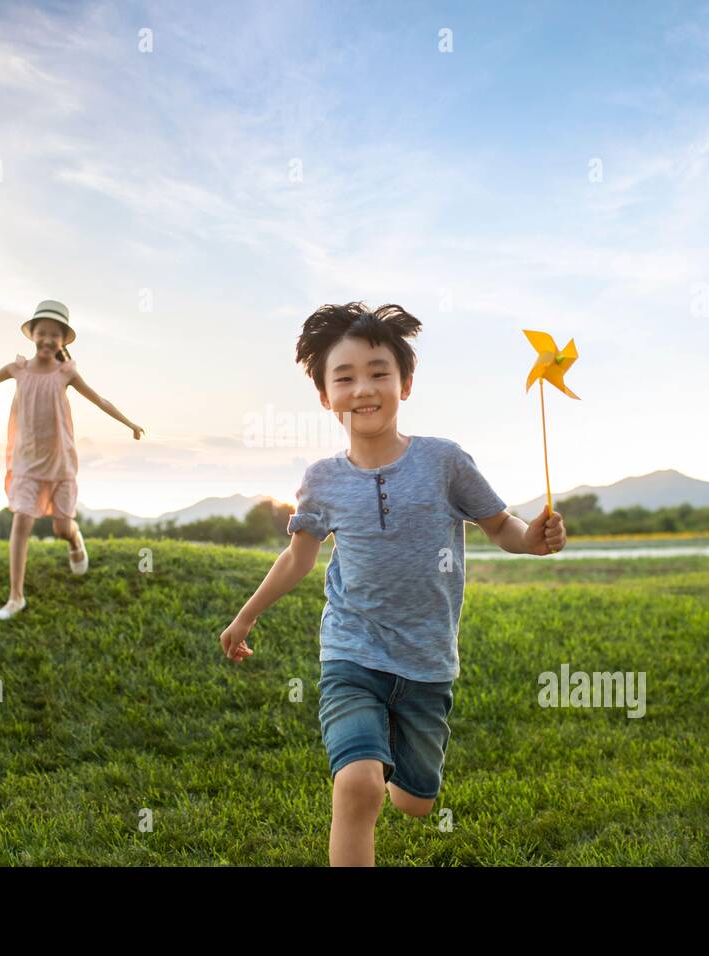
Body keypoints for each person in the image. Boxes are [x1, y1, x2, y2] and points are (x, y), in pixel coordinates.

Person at [218, 301, 567, 865]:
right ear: (325, 395)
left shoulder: (444, 462)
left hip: (427, 660)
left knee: (415, 802)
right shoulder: (322, 480)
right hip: (352, 652)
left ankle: (402, 775)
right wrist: (246, 615)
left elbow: (501, 526)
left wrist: (535, 539)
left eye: (379, 372)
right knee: (357, 786)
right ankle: (367, 766)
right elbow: (298, 557)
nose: (364, 388)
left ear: (405, 383)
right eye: (345, 377)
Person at [0, 299, 146, 619]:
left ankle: (75, 541)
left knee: (62, 527)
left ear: (63, 340)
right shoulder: (17, 369)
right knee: (21, 521)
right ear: (32, 335)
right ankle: (16, 597)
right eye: (42, 333)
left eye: (55, 335)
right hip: (26, 462)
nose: (48, 340)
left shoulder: (67, 373)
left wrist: (130, 423)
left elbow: (100, 399)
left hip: (59, 461)